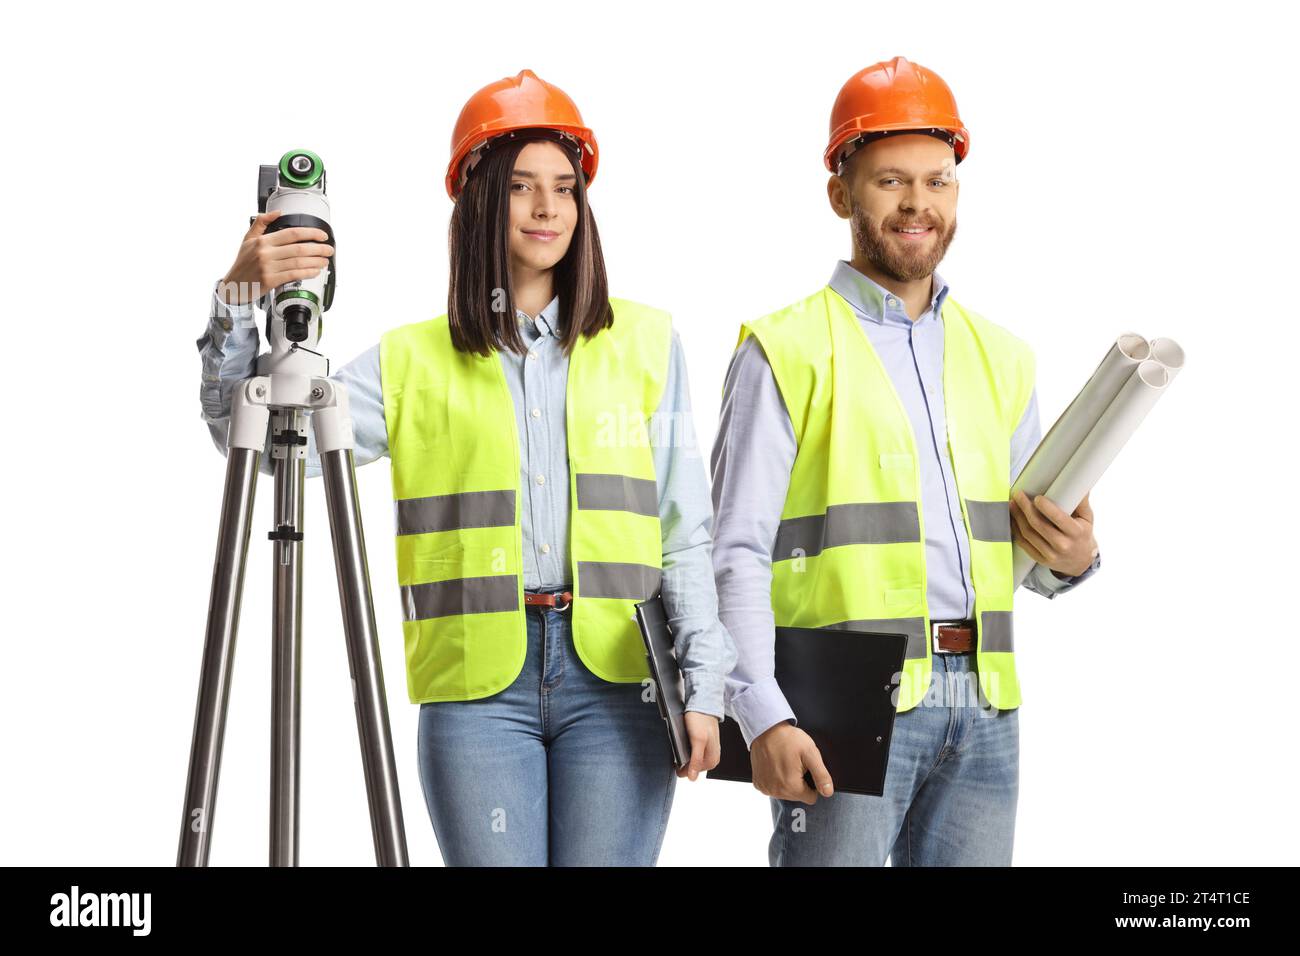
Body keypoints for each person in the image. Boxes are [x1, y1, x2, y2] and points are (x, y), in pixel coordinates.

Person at [196, 68, 735, 866]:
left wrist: (707, 685)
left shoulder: (649, 345)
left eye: (565, 187)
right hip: (477, 690)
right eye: (521, 187)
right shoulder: (409, 362)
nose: (549, 208)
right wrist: (240, 297)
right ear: (480, 199)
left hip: (622, 682)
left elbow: (686, 533)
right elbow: (253, 440)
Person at [710, 56, 1101, 866]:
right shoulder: (784, 350)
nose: (919, 203)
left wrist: (1074, 558)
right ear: (840, 194)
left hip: (987, 702)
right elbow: (734, 554)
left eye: (939, 181)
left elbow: (1026, 547)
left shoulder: (1003, 357)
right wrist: (763, 715)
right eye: (891, 180)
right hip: (840, 699)